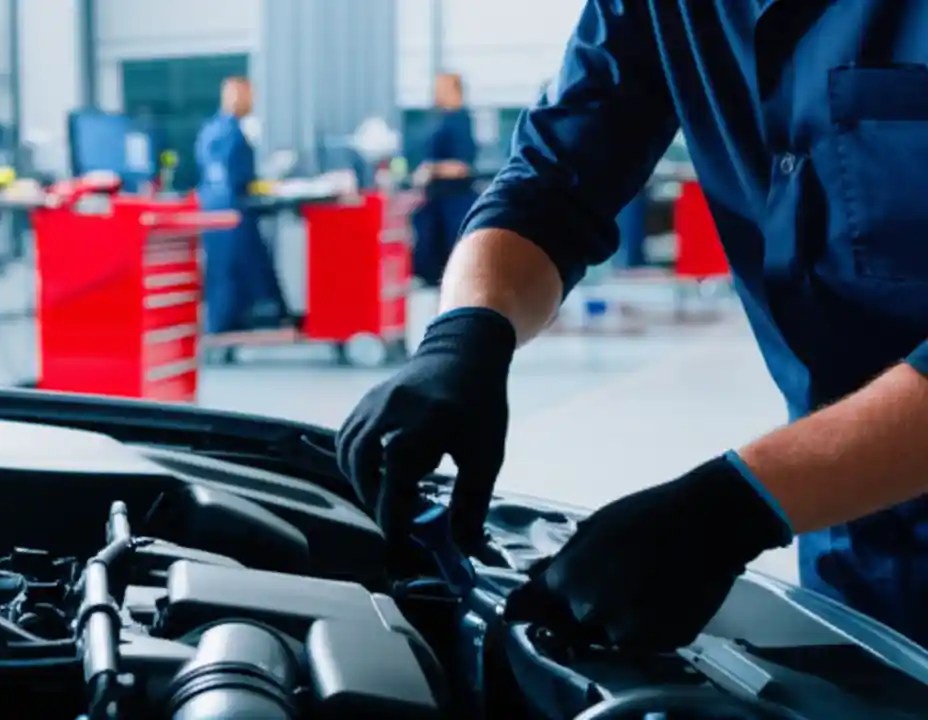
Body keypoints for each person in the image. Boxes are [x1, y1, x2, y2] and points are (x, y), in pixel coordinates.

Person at [337, 1, 928, 651]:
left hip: (810, 495)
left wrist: (739, 505)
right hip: (851, 556)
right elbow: (553, 184)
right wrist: (466, 336)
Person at [195, 76, 290, 334]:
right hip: (233, 212)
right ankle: (240, 322)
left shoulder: (210, 130)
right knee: (241, 271)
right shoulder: (232, 134)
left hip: (214, 211)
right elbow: (239, 178)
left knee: (223, 274)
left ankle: (225, 324)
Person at [412, 73, 478, 287]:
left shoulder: (460, 121)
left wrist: (431, 169)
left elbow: (462, 167)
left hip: (453, 204)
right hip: (436, 204)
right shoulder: (439, 119)